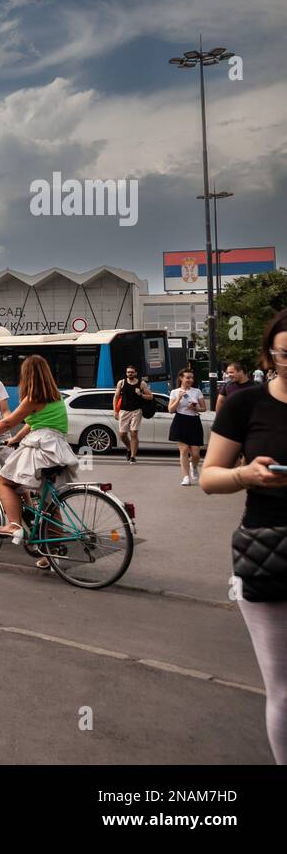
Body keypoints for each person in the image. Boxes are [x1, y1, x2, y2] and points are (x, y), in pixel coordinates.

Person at [200, 308, 287, 762]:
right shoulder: (245, 404)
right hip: (271, 549)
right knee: (285, 690)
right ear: (270, 355)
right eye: (286, 354)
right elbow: (209, 476)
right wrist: (247, 476)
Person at [0, 355, 79, 570]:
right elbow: (31, 423)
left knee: (5, 481)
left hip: (42, 447)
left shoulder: (32, 398)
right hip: (58, 448)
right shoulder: (55, 397)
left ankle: (14, 525)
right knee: (49, 503)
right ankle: (52, 552)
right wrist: (15, 439)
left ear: (27, 376)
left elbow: (8, 421)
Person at [167, 368, 207, 486]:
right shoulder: (175, 392)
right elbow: (170, 410)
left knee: (195, 454)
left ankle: (193, 466)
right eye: (188, 377)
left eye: (192, 378)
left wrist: (195, 408)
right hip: (180, 421)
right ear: (181, 378)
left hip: (194, 421)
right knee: (184, 450)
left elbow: (203, 408)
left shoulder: (197, 391)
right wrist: (179, 398)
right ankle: (186, 477)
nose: (190, 380)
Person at [112, 364, 153, 464]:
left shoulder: (141, 383)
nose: (130, 374)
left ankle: (133, 457)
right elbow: (116, 397)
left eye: (132, 372)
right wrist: (115, 411)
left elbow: (150, 397)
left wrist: (141, 394)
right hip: (124, 411)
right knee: (122, 434)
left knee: (134, 433)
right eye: (128, 372)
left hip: (136, 411)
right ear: (126, 373)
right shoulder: (121, 383)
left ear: (136, 373)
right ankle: (129, 448)